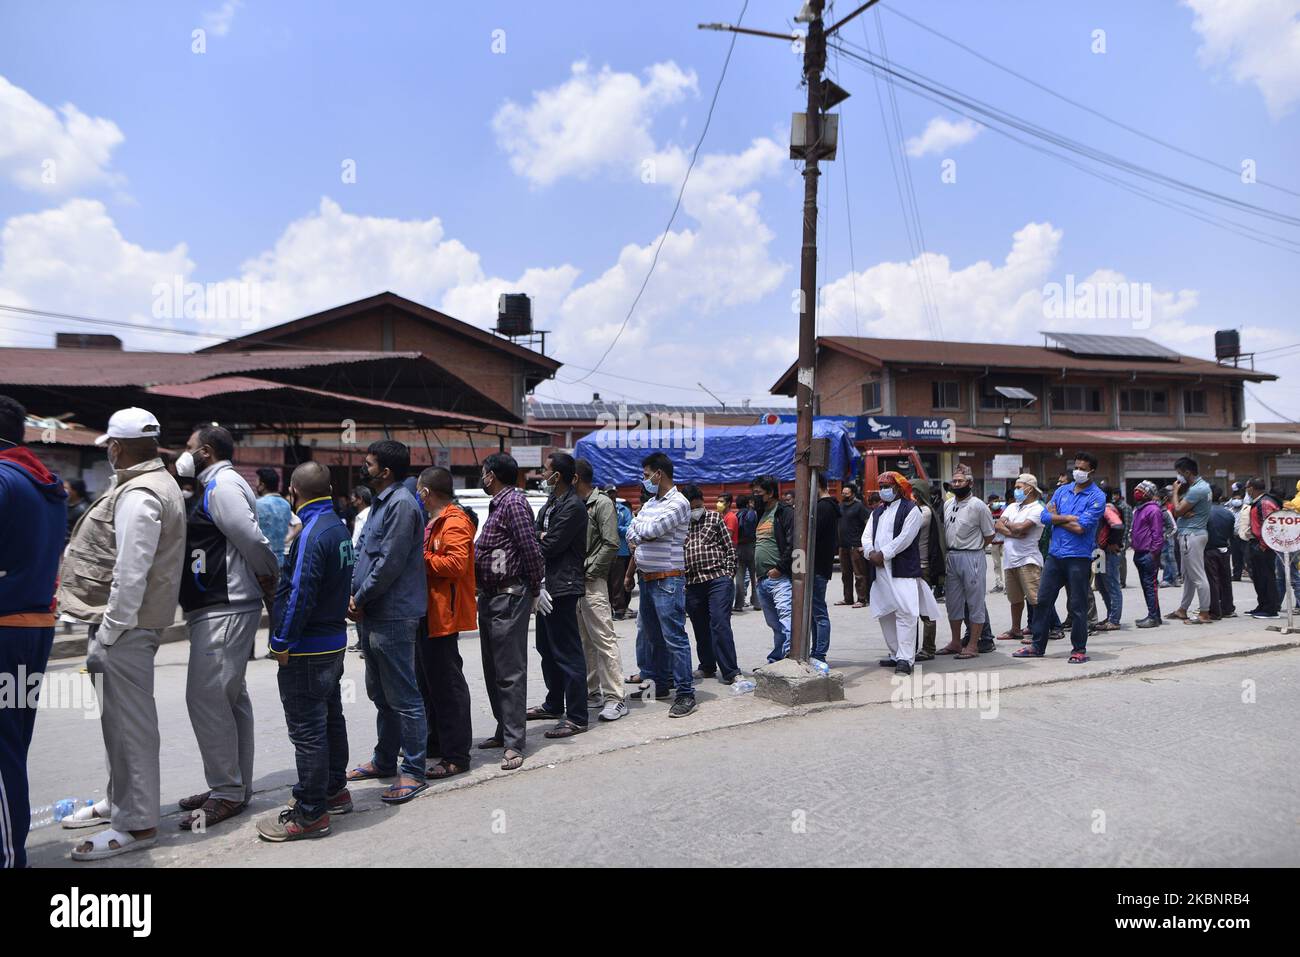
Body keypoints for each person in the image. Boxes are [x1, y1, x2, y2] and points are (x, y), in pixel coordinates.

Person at [59, 408, 185, 861]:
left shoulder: (140, 494)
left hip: (127, 627)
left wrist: (110, 630)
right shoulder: (154, 483)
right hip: (131, 625)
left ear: (116, 447)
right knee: (120, 724)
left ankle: (137, 823)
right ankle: (120, 802)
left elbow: (132, 572)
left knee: (130, 728)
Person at [175, 425, 280, 830]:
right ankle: (233, 785)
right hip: (219, 604)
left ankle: (228, 790)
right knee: (229, 699)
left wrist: (269, 575)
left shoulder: (223, 486)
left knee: (206, 697)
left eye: (188, 447)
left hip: (227, 604)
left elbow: (250, 538)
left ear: (205, 451)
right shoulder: (214, 485)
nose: (183, 454)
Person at [257, 462, 355, 841]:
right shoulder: (337, 526)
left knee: (308, 731)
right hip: (332, 643)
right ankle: (334, 790)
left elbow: (300, 593)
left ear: (294, 492)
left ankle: (311, 813)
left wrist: (281, 642)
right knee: (330, 719)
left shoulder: (313, 532)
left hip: (307, 650)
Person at [0, 394, 67, 868]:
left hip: (5, 627)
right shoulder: (42, 482)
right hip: (34, 626)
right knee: (11, 747)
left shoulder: (4, 479)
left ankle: (8, 856)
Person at [344, 440, 429, 803]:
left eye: (369, 464)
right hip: (372, 612)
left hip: (393, 613)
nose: (364, 468)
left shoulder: (401, 505)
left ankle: (414, 770)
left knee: (404, 696)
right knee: (381, 694)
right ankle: (384, 759)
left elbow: (389, 563)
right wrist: (351, 594)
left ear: (386, 471)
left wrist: (360, 597)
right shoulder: (380, 504)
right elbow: (362, 553)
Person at [474, 453, 544, 770]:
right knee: (493, 670)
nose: (482, 477)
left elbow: (529, 547)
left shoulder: (514, 503)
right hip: (490, 596)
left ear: (492, 475)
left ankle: (514, 743)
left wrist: (535, 588)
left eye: (484, 473)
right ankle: (504, 730)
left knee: (509, 672)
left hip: (509, 596)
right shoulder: (498, 505)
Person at [410, 466, 476, 780]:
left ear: (426, 492)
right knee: (429, 684)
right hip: (427, 612)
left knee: (448, 687)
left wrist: (417, 557)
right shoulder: (433, 521)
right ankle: (435, 742)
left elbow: (456, 564)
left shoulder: (455, 521)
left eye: (419, 491)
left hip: (443, 616)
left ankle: (456, 756)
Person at [1016, 452, 1106, 663]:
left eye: (1083, 469)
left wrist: (1056, 518)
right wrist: (1066, 518)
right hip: (1055, 556)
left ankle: (1079, 649)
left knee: (1077, 605)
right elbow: (1044, 516)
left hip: (1079, 557)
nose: (1078, 471)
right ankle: (1037, 646)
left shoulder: (1097, 496)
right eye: (1076, 467)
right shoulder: (1062, 490)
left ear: (1091, 471)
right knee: (1043, 601)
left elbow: (1081, 528)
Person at [626, 451, 696, 717]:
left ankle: (686, 693)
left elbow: (650, 531)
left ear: (659, 474)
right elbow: (631, 530)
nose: (644, 480)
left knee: (674, 638)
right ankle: (661, 684)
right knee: (652, 636)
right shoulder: (651, 504)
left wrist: (642, 532)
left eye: (646, 475)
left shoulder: (678, 503)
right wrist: (641, 532)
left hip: (668, 579)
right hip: (647, 578)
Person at [524, 452, 589, 738]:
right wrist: (539, 535)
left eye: (545, 470)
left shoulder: (574, 506)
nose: (542, 474)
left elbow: (550, 544)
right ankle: (553, 703)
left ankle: (577, 716)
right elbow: (535, 532)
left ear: (557, 475)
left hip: (564, 585)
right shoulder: (552, 502)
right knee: (546, 648)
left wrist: (539, 536)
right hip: (546, 584)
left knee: (567, 651)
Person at [863, 472, 941, 676]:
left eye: (887, 486)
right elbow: (866, 536)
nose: (883, 490)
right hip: (880, 569)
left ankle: (906, 659)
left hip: (902, 569)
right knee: (886, 612)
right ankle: (895, 654)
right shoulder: (877, 512)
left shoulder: (911, 510)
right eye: (881, 486)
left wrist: (884, 554)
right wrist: (870, 552)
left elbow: (905, 538)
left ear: (898, 488)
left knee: (906, 612)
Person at [573, 461, 625, 721]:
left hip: (592, 582)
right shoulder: (574, 503)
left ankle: (616, 697)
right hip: (575, 582)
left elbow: (611, 543)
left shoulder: (601, 503)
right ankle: (592, 692)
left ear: (575, 478)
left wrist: (591, 571)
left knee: (604, 639)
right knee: (585, 641)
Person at [682, 484, 740, 683]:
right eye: (690, 508)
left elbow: (729, 548)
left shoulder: (715, 518)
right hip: (692, 582)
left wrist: (729, 574)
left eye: (697, 506)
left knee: (720, 623)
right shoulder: (681, 524)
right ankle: (707, 666)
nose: (694, 510)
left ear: (702, 501)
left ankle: (731, 671)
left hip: (717, 579)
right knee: (700, 627)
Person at [938, 466, 995, 659]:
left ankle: (973, 644)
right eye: (954, 481)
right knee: (953, 603)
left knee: (975, 602)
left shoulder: (978, 506)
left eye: (960, 481)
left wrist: (975, 548)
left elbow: (989, 534)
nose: (956, 484)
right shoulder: (948, 504)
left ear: (970, 483)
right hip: (951, 556)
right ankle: (955, 642)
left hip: (972, 556)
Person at [994, 473, 1045, 643]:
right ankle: (1015, 629)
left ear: (1029, 488)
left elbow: (1022, 527)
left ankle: (1039, 632)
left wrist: (1009, 526)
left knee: (1035, 599)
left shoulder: (1037, 509)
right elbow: (998, 525)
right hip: (1010, 560)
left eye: (1018, 487)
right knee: (1015, 599)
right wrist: (1014, 532)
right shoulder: (1012, 507)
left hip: (1028, 560)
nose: (1015, 490)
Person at [750, 475, 795, 664]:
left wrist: (779, 568)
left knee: (786, 618)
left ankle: (791, 657)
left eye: (758, 493)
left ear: (770, 493)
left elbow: (793, 544)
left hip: (779, 578)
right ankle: (778, 658)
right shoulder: (761, 514)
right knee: (775, 624)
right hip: (762, 579)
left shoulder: (784, 512)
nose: (755, 496)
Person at [1167, 457, 1213, 624]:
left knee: (1198, 576)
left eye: (1180, 473)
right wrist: (1183, 511)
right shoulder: (1201, 487)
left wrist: (1175, 492)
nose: (1178, 477)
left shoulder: (1197, 489)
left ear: (1187, 472)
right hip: (1193, 533)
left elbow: (1177, 510)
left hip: (1191, 535)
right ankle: (1182, 609)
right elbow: (1182, 510)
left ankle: (1204, 613)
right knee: (1189, 576)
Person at [909, 478, 945, 661]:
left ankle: (928, 648)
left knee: (926, 611)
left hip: (922, 568)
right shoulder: (917, 510)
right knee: (909, 611)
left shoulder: (924, 512)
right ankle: (910, 649)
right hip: (911, 567)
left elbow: (907, 529)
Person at [1242, 477, 1281, 619]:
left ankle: (1270, 609)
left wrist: (1263, 546)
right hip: (1257, 543)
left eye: (1247, 488)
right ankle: (1262, 605)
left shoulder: (1264, 503)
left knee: (1266, 578)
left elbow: (1269, 525)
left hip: (1263, 546)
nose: (1246, 491)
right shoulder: (1258, 502)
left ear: (1251, 488)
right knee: (1259, 578)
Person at [1130, 481, 1166, 627]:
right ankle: (1155, 615)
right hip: (1139, 553)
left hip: (1148, 554)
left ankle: (1153, 618)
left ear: (1147, 494)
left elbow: (1157, 535)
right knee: (1147, 587)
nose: (1137, 493)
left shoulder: (1153, 510)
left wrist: (1153, 553)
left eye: (1140, 490)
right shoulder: (1139, 509)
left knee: (1151, 587)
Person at [812, 473, 840, 661]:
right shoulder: (828, 506)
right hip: (820, 566)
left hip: (818, 566)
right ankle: (815, 651)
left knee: (819, 613)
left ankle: (819, 653)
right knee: (814, 613)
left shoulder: (824, 507)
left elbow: (814, 534)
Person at [1091, 481, 1124, 632]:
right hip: (1099, 553)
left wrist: (1112, 543)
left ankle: (1114, 620)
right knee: (1101, 584)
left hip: (1107, 553)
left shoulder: (1107, 508)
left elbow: (1117, 525)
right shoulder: (1100, 508)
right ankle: (1111, 615)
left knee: (1111, 585)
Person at [1204, 485, 1236, 621]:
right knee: (1226, 579)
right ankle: (1228, 608)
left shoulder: (1204, 513)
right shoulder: (1228, 513)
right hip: (1224, 549)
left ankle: (1215, 610)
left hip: (1209, 549)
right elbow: (1231, 533)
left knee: (1213, 580)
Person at [836, 482, 870, 607]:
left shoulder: (859, 507)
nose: (844, 495)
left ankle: (862, 599)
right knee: (845, 575)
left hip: (855, 545)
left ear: (853, 494)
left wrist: (865, 544)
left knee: (859, 574)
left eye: (847, 493)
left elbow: (868, 525)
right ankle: (848, 599)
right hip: (843, 546)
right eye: (843, 493)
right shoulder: (840, 506)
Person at [255, 466, 294, 566]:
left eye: (256, 481)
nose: (255, 485)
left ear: (262, 485)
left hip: (261, 561)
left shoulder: (257, 504)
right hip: (280, 561)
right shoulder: (286, 505)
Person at [606, 486, 633, 620]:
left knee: (618, 582)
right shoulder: (603, 509)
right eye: (609, 493)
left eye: (613, 493)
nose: (612, 496)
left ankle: (619, 609)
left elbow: (630, 528)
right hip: (605, 552)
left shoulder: (623, 510)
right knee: (607, 583)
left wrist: (616, 528)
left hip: (621, 552)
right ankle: (610, 608)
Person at [733, 494, 759, 611]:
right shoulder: (752, 513)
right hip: (752, 546)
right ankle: (757, 602)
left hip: (739, 548)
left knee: (739, 577)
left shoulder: (736, 515)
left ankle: (739, 604)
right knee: (755, 576)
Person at [1112, 486, 1133, 589]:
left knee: (1120, 560)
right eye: (1113, 494)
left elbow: (1127, 525)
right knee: (1114, 561)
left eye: (1116, 494)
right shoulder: (1113, 506)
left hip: (1122, 538)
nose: (1114, 497)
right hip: (1114, 538)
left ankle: (1122, 581)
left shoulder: (1125, 507)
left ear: (1119, 495)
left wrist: (1123, 539)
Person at [1227, 482, 1248, 582]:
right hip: (1234, 536)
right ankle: (1236, 575)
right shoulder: (1230, 510)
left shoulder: (1246, 508)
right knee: (1236, 557)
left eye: (1238, 498)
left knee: (1247, 557)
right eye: (1234, 498)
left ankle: (1252, 574)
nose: (1236, 500)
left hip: (1244, 536)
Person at [987, 493, 1006, 593]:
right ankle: (999, 584)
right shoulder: (987, 512)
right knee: (996, 564)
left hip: (1004, 541)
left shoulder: (1003, 512)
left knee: (1007, 563)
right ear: (990, 502)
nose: (997, 503)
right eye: (995, 501)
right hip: (994, 542)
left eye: (998, 501)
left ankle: (1008, 585)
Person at [64, 477, 89, 542]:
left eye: (66, 488)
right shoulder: (65, 505)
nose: (63, 490)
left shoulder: (83, 510)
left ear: (75, 491)